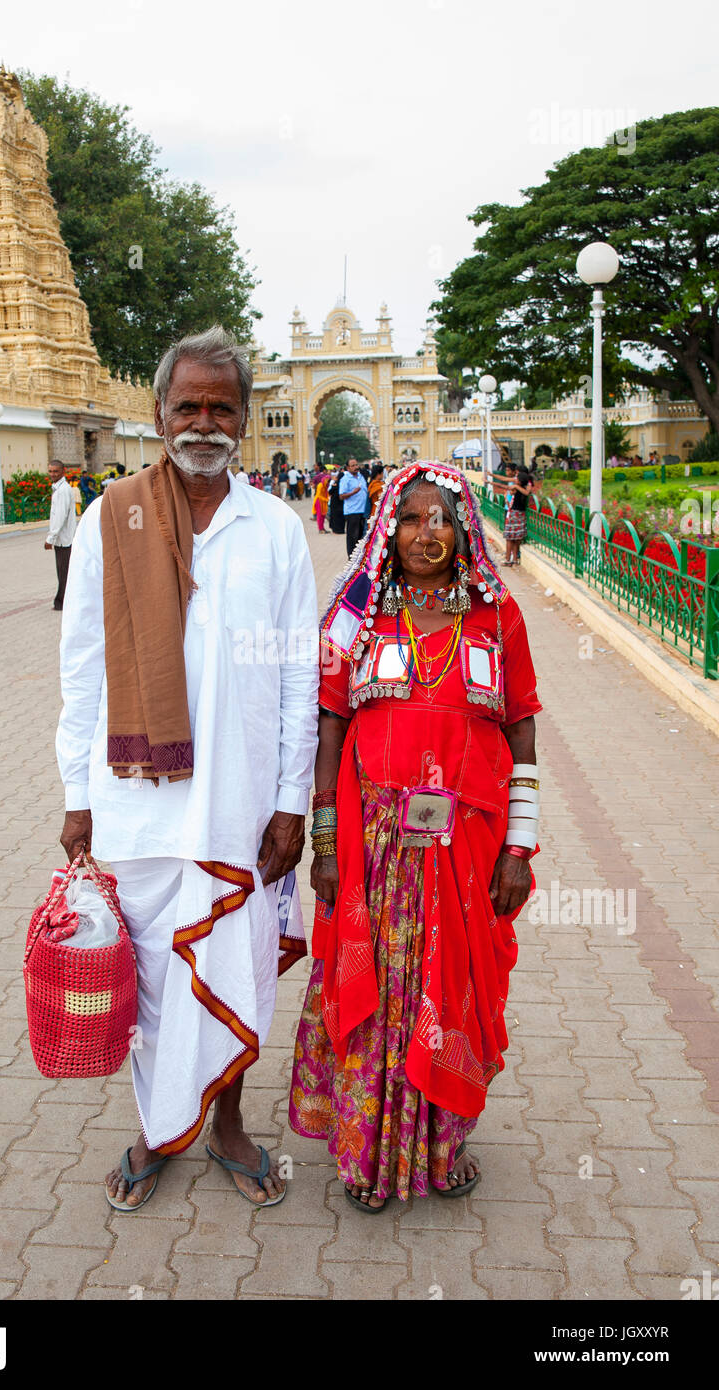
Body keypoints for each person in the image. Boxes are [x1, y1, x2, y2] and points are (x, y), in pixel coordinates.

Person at [56, 326, 319, 1211]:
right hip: (134, 801)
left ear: (244, 418)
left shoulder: (275, 527)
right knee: (155, 973)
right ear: (160, 412)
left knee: (234, 960)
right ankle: (158, 1126)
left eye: (221, 406)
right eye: (187, 405)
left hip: (242, 807)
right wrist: (74, 795)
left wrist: (291, 801)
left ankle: (229, 1126)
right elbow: (83, 661)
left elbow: (297, 677)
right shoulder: (113, 517)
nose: (203, 421)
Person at [289, 461, 541, 1210]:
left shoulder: (498, 619)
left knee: (451, 993)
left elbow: (522, 726)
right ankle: (367, 1154)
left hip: (465, 849)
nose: (426, 534)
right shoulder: (357, 618)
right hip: (372, 848)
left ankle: (439, 1144)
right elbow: (329, 725)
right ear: (386, 532)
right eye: (410, 520)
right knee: (373, 994)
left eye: (441, 519)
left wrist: (519, 848)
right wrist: (327, 845)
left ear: (464, 531)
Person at [45, 460, 77, 611]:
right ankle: (62, 601)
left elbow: (60, 517)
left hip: (65, 540)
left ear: (63, 471)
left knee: (64, 572)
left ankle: (62, 602)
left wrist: (50, 538)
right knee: (63, 571)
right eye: (50, 471)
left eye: (56, 471)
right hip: (62, 539)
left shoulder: (63, 490)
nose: (53, 474)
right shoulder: (59, 489)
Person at [339, 457, 369, 557]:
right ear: (348, 468)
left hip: (363, 511)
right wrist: (353, 492)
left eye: (356, 465)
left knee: (361, 537)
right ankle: (351, 559)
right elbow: (341, 496)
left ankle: (359, 558)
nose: (356, 467)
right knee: (352, 537)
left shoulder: (361, 477)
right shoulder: (345, 479)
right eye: (353, 466)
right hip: (352, 512)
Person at [328, 468, 345, 534]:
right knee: (341, 516)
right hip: (341, 502)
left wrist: (333, 486)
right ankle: (341, 530)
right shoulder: (344, 485)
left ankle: (335, 530)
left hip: (335, 502)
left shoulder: (335, 484)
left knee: (335, 516)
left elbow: (330, 492)